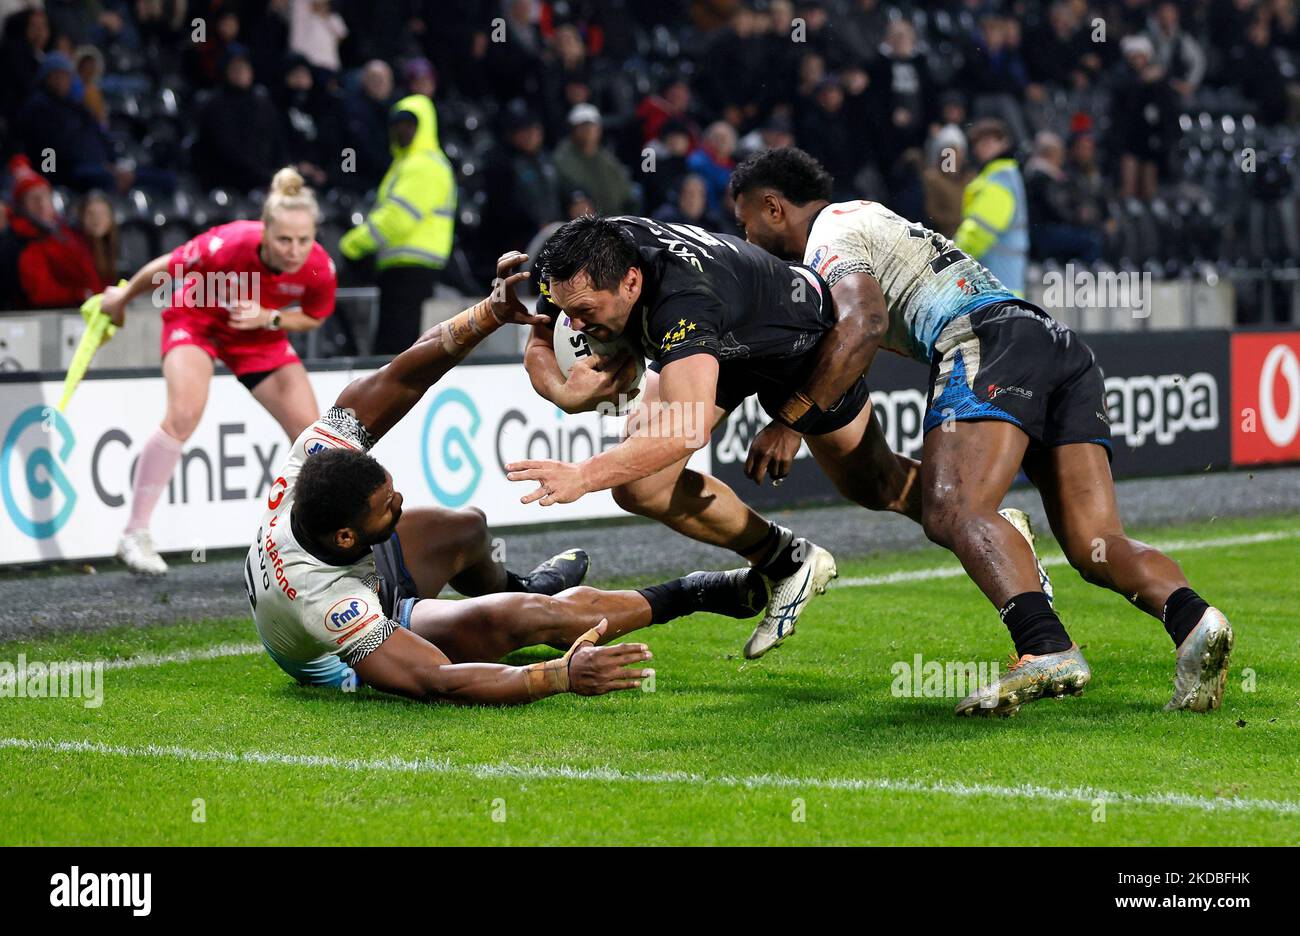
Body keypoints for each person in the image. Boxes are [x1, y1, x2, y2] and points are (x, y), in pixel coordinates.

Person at [730, 146, 1234, 716]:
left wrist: (790, 421)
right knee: (1096, 544)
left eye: (746, 223)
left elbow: (865, 322)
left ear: (773, 207)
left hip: (985, 341)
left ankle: (1045, 647)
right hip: (1051, 341)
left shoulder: (832, 232)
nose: (746, 240)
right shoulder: (868, 220)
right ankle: (1196, 621)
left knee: (952, 510)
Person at [248, 249, 768, 702]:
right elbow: (437, 682)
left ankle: (522, 582)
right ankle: (695, 591)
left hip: (346, 563)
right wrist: (553, 676)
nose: (400, 499)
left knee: (466, 527)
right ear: (347, 534)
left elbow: (402, 375)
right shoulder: (333, 606)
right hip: (346, 639)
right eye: (388, 506)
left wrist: (489, 313)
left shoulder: (313, 460)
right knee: (530, 620)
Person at [510, 214, 968, 660]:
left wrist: (584, 475)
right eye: (566, 310)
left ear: (631, 283)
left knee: (876, 485)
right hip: (724, 340)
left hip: (799, 345)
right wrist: (566, 395)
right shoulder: (583, 261)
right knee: (638, 485)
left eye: (585, 313)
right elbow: (538, 341)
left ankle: (980, 522)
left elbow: (685, 430)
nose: (575, 325)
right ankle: (788, 561)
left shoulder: (683, 301)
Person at [101, 168, 336, 575]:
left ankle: (313, 542)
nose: (295, 250)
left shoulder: (318, 266)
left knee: (314, 437)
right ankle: (134, 534)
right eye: (284, 240)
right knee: (183, 415)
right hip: (198, 319)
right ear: (264, 232)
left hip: (257, 331)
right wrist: (122, 298)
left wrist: (273, 318)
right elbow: (167, 266)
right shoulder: (228, 243)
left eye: (304, 239)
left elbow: (314, 317)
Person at [339, 94, 456, 355]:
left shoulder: (423, 164)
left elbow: (397, 217)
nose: (402, 130)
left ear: (424, 126)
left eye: (410, 124)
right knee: (396, 351)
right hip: (401, 269)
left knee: (396, 352)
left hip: (410, 269)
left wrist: (352, 244)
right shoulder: (407, 164)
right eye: (397, 124)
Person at [7, 155, 104, 308]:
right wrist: (82, 294)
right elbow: (42, 294)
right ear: (21, 206)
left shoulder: (66, 234)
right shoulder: (21, 242)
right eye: (33, 198)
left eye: (45, 196)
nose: (41, 204)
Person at [955, 118, 1027, 296]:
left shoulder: (999, 180)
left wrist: (951, 257)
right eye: (979, 143)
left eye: (989, 142)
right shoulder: (1005, 175)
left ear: (1004, 143)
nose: (982, 148)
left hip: (994, 291)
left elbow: (980, 231)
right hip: (1002, 288)